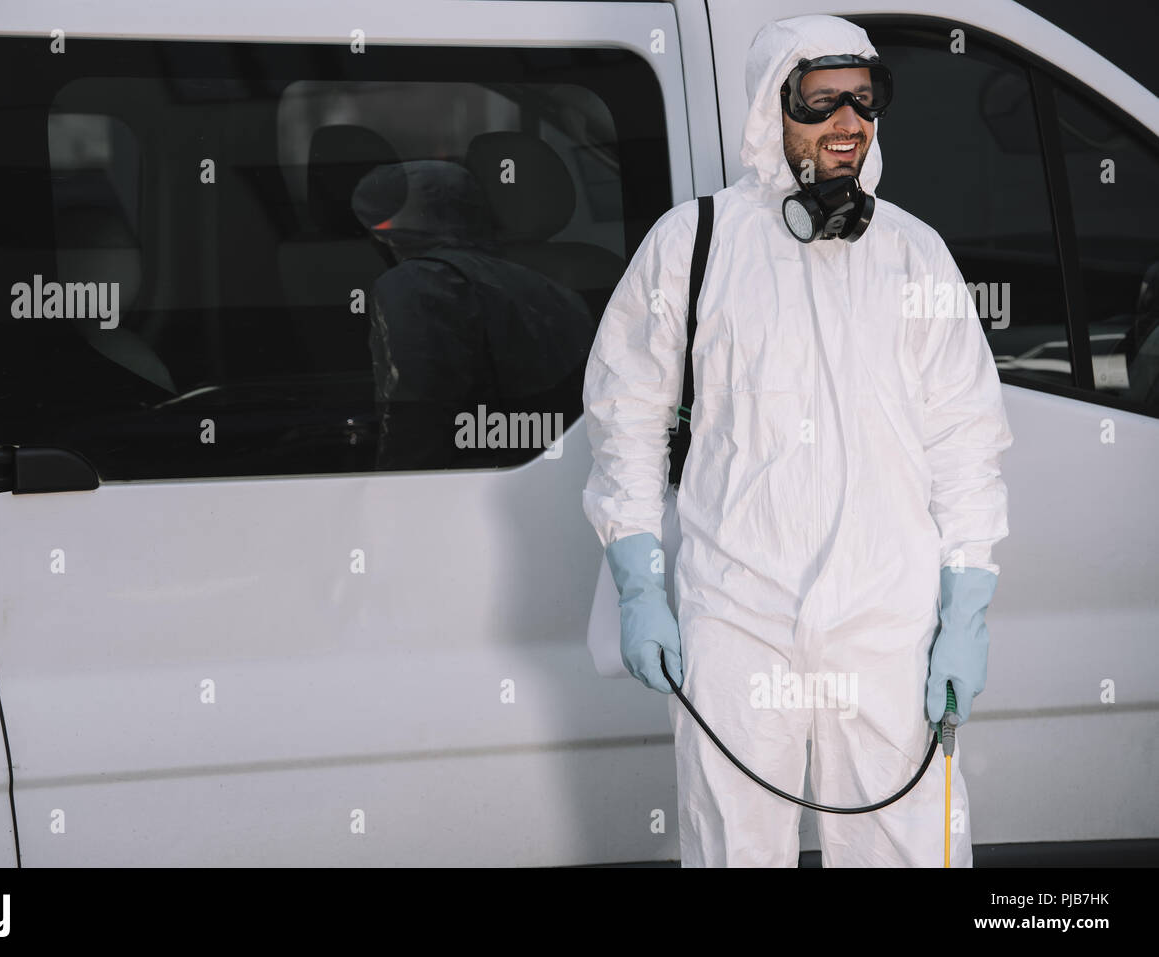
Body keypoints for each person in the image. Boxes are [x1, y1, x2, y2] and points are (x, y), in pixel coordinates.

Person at [581, 14, 1013, 867]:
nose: (848, 124)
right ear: (770, 113)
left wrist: (965, 610)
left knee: (910, 845)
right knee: (735, 845)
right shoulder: (694, 245)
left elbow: (965, 442)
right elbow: (625, 421)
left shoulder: (913, 256)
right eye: (820, 103)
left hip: (888, 618)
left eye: (865, 99)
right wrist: (639, 583)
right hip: (737, 609)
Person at [350, 159, 593, 470]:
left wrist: (392, 492)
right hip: (544, 472)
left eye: (379, 220)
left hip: (458, 482)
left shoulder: (417, 284)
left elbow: (418, 414)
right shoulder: (551, 287)